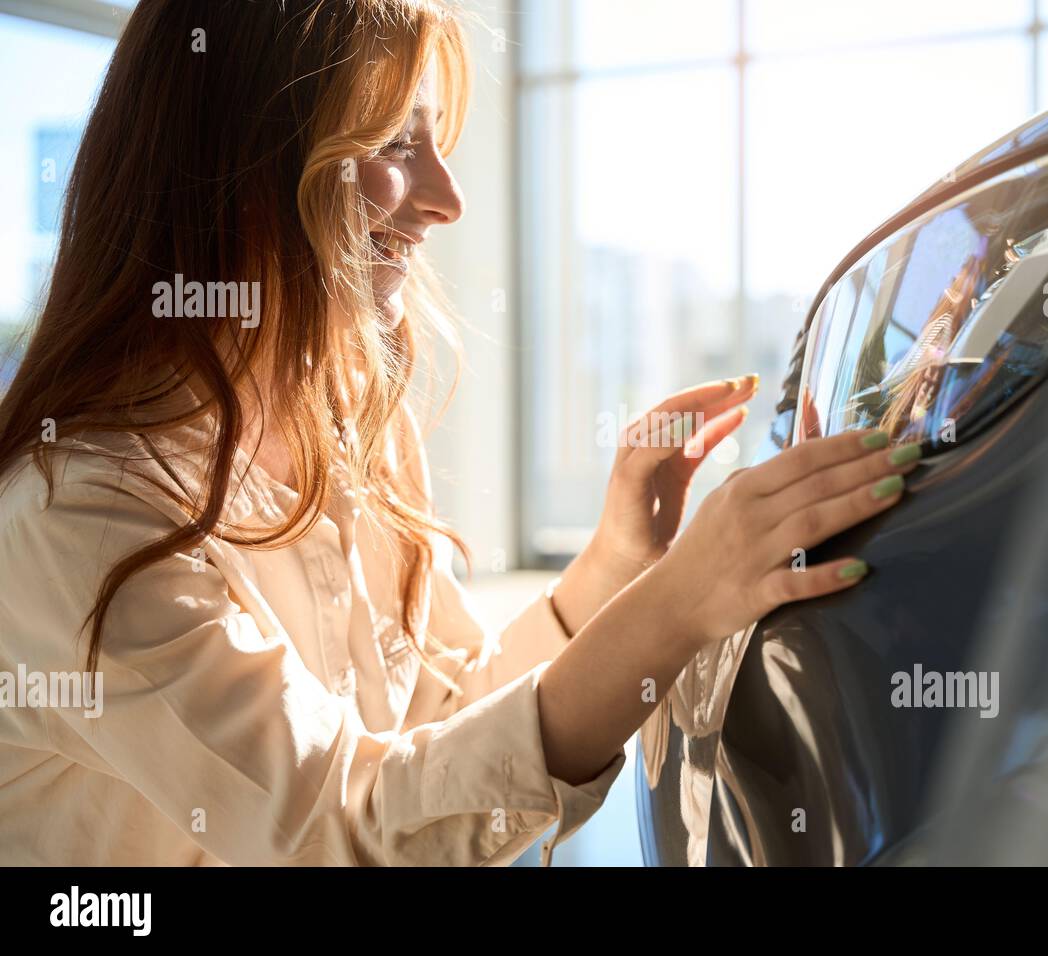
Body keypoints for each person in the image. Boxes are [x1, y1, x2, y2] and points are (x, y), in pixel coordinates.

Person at [0, 0, 919, 866]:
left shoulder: (353, 428)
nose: (448, 199)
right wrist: (679, 601)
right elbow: (343, 829)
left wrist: (614, 564)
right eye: (398, 144)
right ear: (242, 166)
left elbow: (435, 732)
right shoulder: (77, 516)